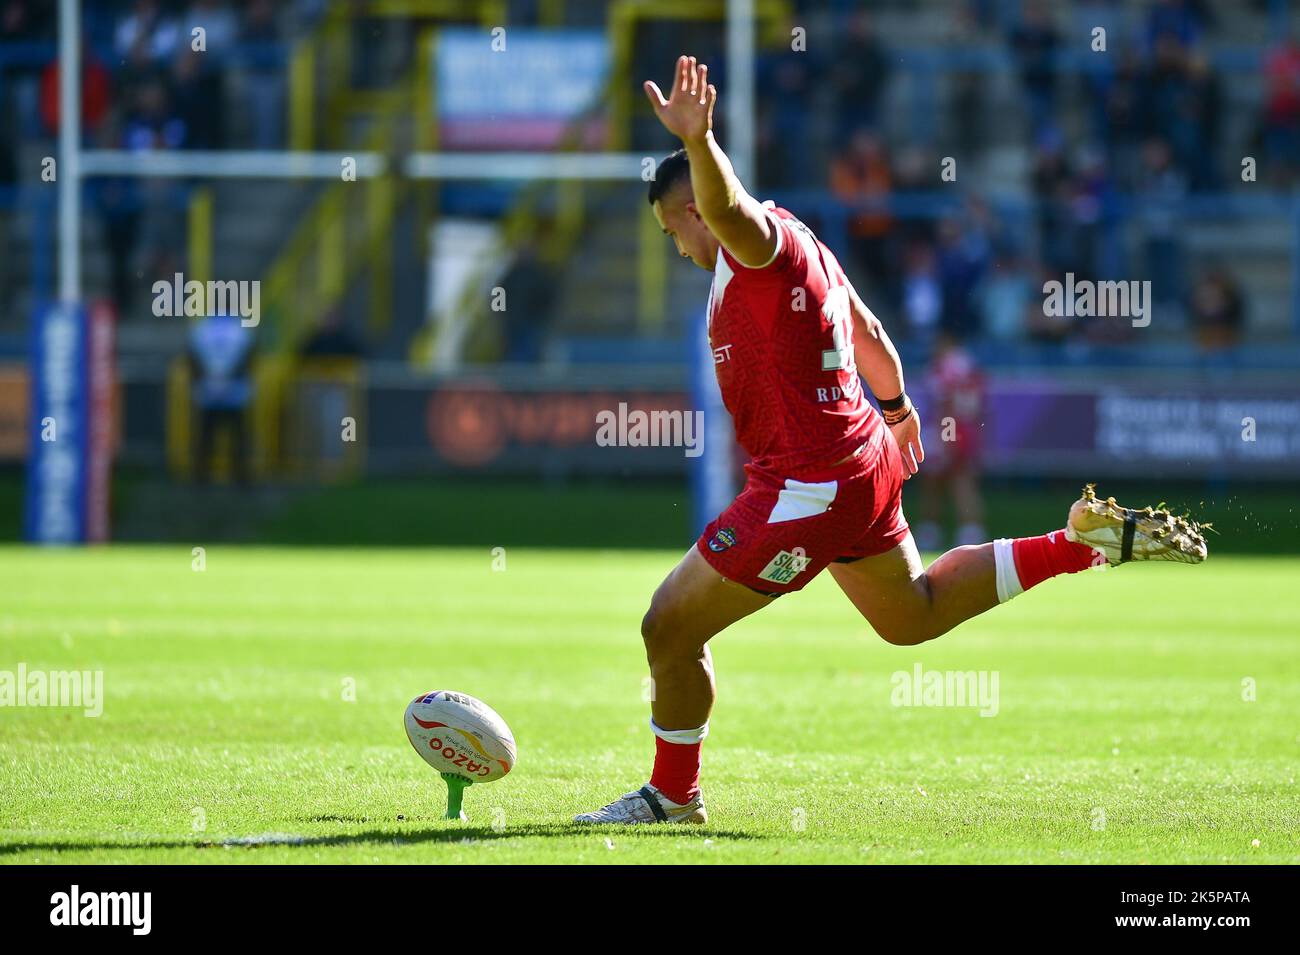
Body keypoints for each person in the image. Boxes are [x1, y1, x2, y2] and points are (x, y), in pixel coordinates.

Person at [575, 57, 1207, 826]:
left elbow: (730, 210)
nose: (673, 243)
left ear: (693, 211)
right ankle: (1078, 542)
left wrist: (701, 143)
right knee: (913, 614)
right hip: (861, 461)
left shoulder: (756, 243)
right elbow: (870, 331)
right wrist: (902, 410)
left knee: (667, 624)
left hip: (809, 485)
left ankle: (673, 796)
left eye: (671, 226)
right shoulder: (800, 237)